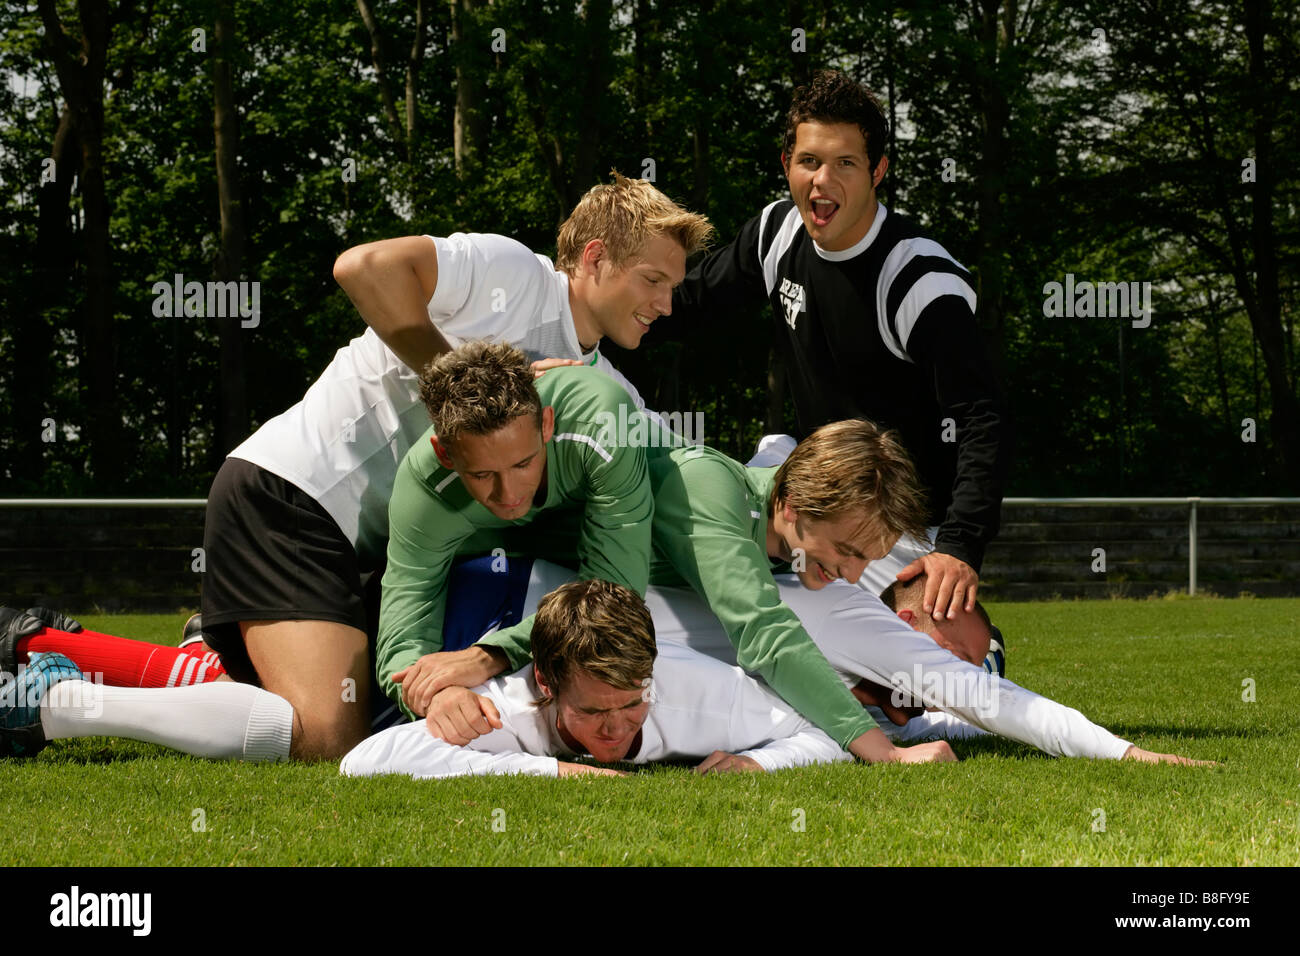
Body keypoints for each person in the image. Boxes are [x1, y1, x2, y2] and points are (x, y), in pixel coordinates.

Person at [197, 173, 711, 759]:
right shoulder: (514, 274)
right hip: (294, 496)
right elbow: (364, 267)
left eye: (673, 287)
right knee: (328, 739)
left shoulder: (603, 391)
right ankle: (91, 693)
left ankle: (196, 654)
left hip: (370, 555)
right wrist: (466, 383)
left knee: (362, 712)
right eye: (654, 280)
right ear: (595, 259)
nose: (666, 305)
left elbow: (692, 474)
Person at [668, 69, 1011, 623]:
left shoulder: (919, 281)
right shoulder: (776, 234)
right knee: (705, 572)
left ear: (878, 171)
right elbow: (679, 307)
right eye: (809, 162)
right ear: (787, 166)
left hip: (898, 523)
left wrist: (959, 546)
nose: (822, 181)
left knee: (946, 656)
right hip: (804, 487)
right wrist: (582, 326)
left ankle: (959, 644)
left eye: (845, 164)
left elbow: (982, 418)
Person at [426, 419, 958, 765]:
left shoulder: (765, 535)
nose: (850, 573)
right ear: (794, 505)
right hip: (498, 603)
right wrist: (883, 755)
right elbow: (765, 635)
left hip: (527, 617)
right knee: (425, 741)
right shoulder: (710, 488)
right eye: (848, 551)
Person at [377, 340, 679, 721]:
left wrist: (490, 656)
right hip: (535, 576)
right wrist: (437, 695)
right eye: (482, 474)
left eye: (523, 463)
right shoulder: (423, 487)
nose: (509, 494)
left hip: (680, 546)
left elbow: (615, 597)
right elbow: (403, 635)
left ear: (547, 424)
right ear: (444, 454)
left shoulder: (602, 418)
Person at [341, 578, 859, 780]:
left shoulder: (705, 693)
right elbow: (361, 762)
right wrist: (561, 774)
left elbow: (828, 735)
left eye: (633, 704)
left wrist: (758, 762)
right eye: (592, 711)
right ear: (546, 682)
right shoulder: (505, 706)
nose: (616, 729)